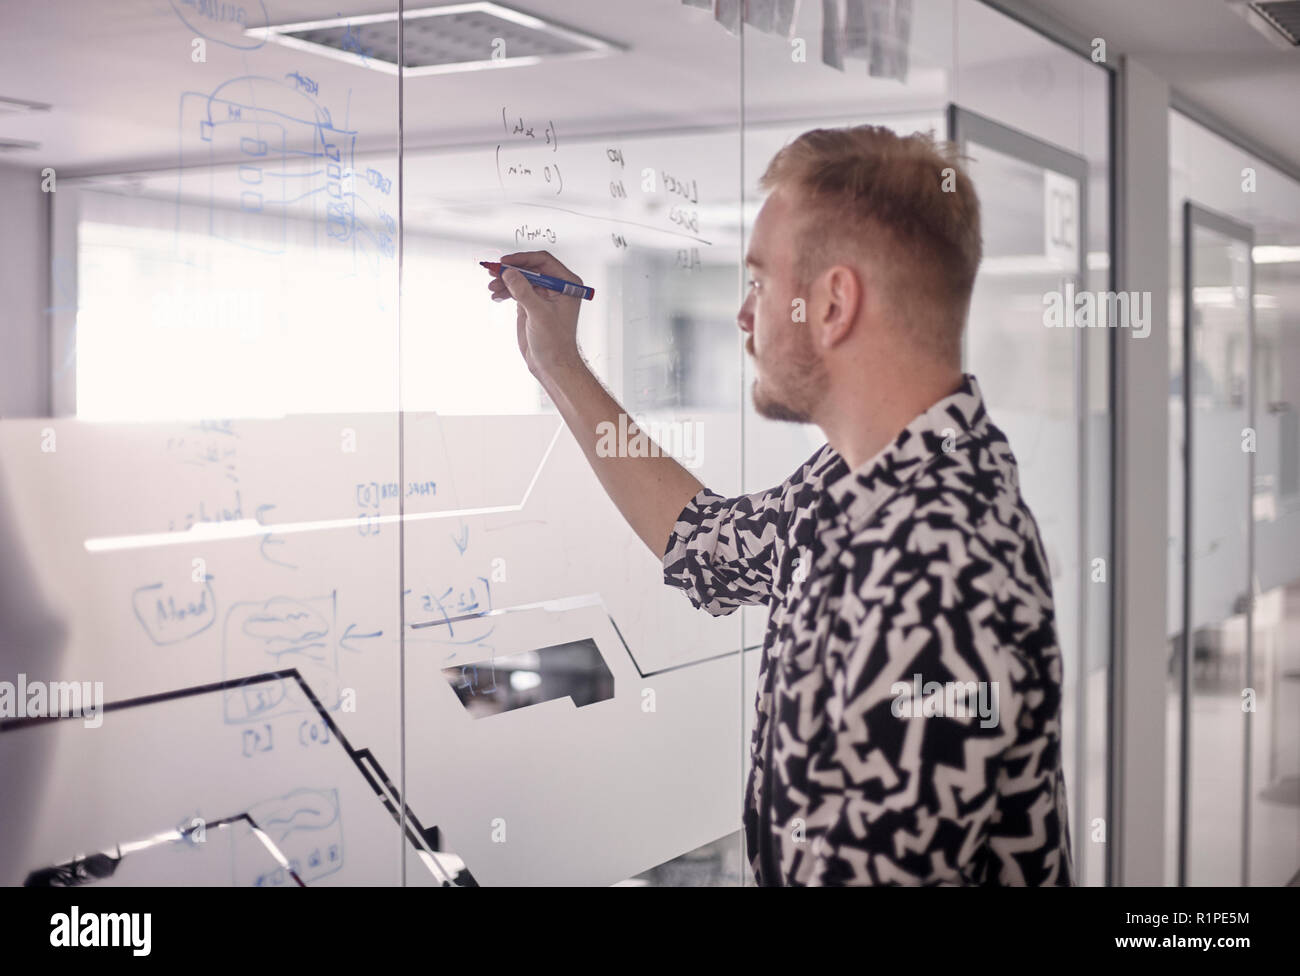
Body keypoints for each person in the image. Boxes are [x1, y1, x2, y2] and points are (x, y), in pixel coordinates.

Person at [485, 124, 1073, 886]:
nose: (742, 315)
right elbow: (703, 545)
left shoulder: (935, 566)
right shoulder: (863, 480)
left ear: (832, 305)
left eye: (759, 283)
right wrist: (558, 363)